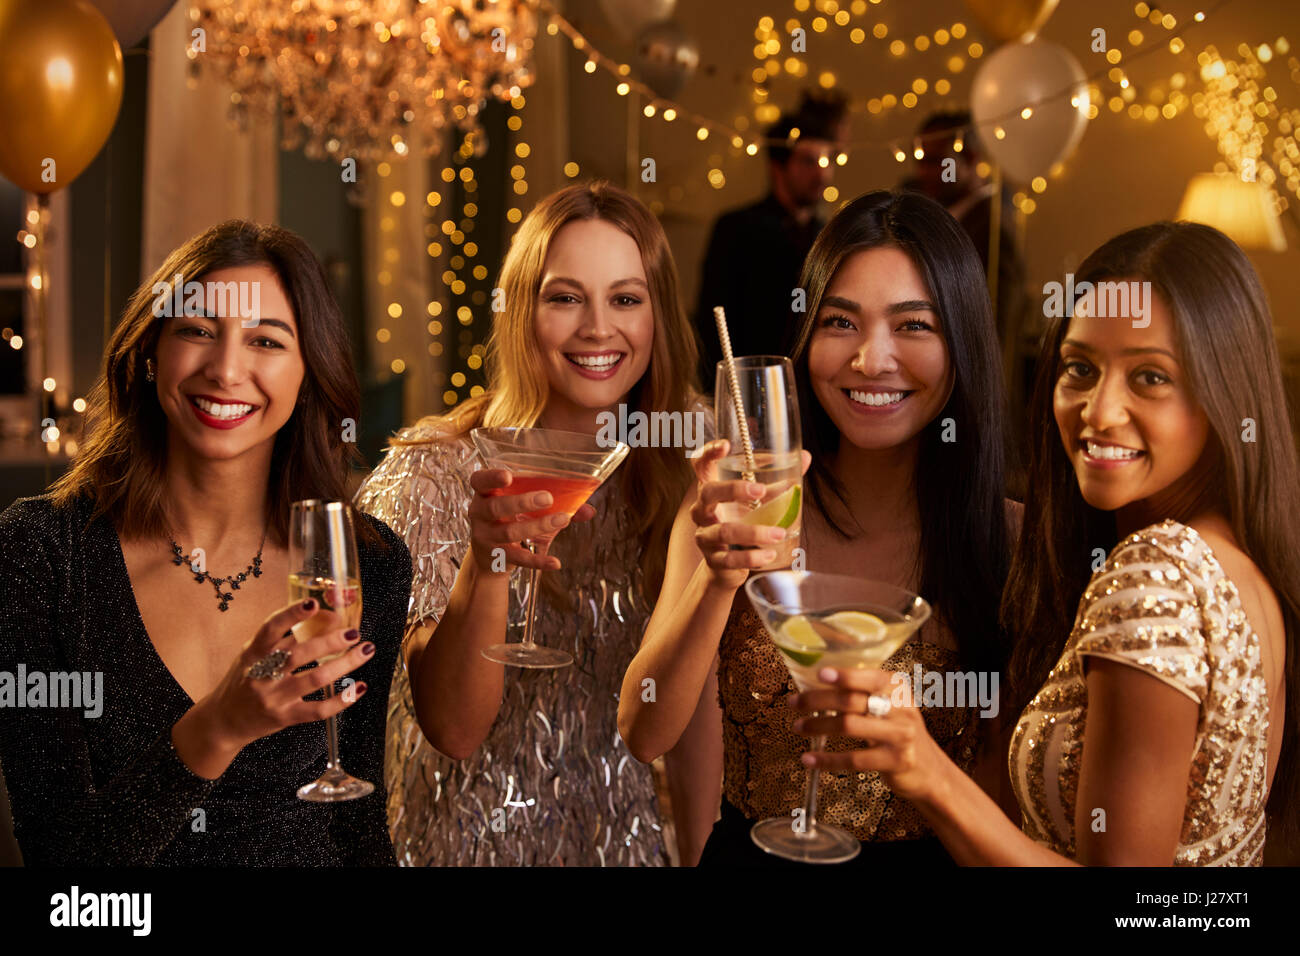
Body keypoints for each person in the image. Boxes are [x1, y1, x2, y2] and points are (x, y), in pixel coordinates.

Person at [794, 222, 1299, 866]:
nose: (1099, 411)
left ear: (1224, 390)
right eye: (1080, 369)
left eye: (1150, 377)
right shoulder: (1241, 566)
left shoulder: (1155, 576)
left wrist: (926, 773)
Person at [621, 189, 1021, 865]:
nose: (871, 360)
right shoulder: (741, 507)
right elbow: (644, 729)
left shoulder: (1009, 543)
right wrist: (718, 581)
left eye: (914, 326)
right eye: (841, 322)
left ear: (963, 343)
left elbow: (1010, 811)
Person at [0, 220, 410, 865]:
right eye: (197, 330)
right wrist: (218, 726)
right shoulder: (42, 554)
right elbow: (62, 869)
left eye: (266, 341)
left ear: (310, 371)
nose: (225, 370)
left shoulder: (368, 564)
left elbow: (354, 822)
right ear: (149, 351)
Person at [355, 181, 712, 866]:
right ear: (523, 311)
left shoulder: (691, 458)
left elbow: (697, 713)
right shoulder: (428, 474)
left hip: (627, 849)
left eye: (626, 299)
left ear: (658, 315)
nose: (598, 328)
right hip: (460, 848)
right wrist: (485, 563)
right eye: (565, 297)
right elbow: (454, 728)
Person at [692, 90, 847, 387]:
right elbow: (713, 326)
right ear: (778, 167)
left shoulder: (830, 235)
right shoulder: (736, 228)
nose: (822, 174)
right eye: (808, 161)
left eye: (827, 161)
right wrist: (727, 395)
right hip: (750, 387)